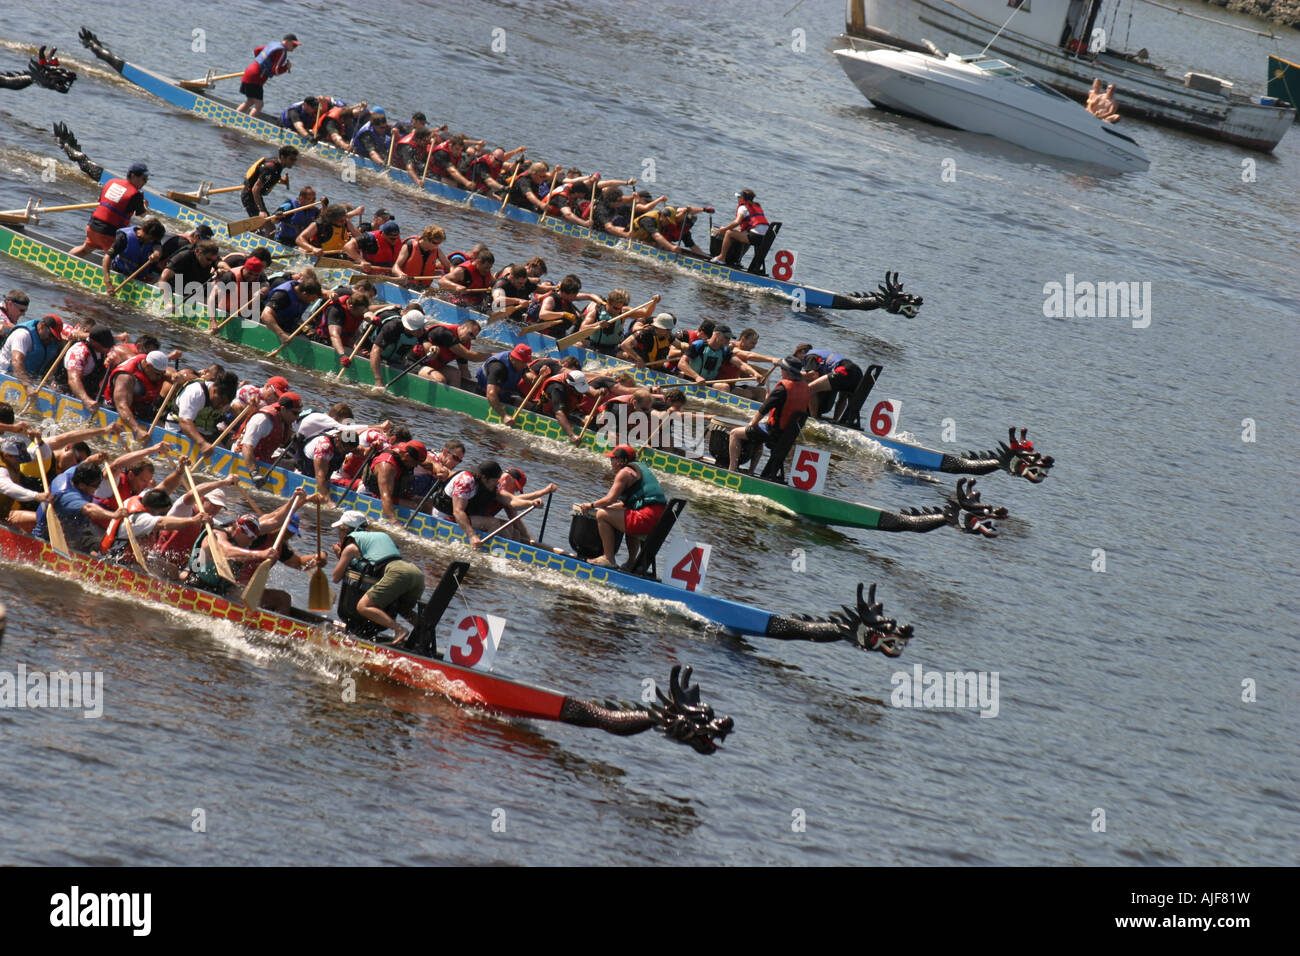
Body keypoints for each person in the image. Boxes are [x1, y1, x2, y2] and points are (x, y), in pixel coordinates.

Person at [190, 490, 326, 613]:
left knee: (280, 599)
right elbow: (226, 551)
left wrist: (296, 501)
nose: (251, 543)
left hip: (223, 589)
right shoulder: (216, 534)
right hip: (196, 584)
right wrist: (260, 554)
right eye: (250, 539)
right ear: (238, 531)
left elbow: (275, 518)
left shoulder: (249, 533)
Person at [329, 510, 426, 645]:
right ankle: (425, 632)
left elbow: (335, 577)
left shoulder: (351, 546)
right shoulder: (378, 536)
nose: (338, 535)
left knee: (363, 606)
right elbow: (373, 565)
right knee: (403, 610)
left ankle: (399, 630)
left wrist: (341, 555)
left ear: (345, 531)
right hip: (416, 573)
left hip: (397, 573)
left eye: (339, 531)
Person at [578, 444, 667, 569]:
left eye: (612, 459)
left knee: (602, 515)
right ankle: (631, 563)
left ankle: (608, 558)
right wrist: (612, 507)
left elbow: (610, 499)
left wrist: (591, 505)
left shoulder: (624, 473)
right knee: (621, 511)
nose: (611, 462)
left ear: (621, 461)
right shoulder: (639, 468)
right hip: (658, 520)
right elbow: (628, 503)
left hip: (646, 519)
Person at [726, 357, 810, 473]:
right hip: (788, 434)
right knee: (758, 434)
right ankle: (751, 470)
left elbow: (763, 409)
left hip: (774, 432)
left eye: (782, 369)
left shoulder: (782, 389)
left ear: (787, 371)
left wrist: (752, 424)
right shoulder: (805, 388)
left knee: (735, 433)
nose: (781, 371)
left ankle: (732, 469)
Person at [34, 461, 126, 553]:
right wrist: (114, 515)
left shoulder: (72, 474)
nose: (97, 488)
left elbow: (85, 463)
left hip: (76, 531)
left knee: (107, 549)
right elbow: (89, 509)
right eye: (95, 485)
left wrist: (97, 459)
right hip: (50, 537)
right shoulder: (68, 497)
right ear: (82, 485)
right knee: (101, 552)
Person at [431, 459, 519, 547]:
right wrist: (472, 536)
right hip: (444, 518)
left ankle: (511, 550)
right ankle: (484, 551)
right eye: (495, 481)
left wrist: (531, 502)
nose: (497, 484)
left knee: (509, 528)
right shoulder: (466, 481)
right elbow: (458, 511)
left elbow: (513, 500)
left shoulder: (483, 482)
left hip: (459, 518)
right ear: (485, 478)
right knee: (493, 523)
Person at [69, 162, 150, 258]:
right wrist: (145, 206)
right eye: (143, 179)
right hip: (109, 233)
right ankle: (110, 270)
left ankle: (65, 258)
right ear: (133, 176)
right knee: (120, 257)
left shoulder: (111, 182)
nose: (145, 182)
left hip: (92, 227)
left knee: (86, 248)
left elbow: (102, 201)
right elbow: (142, 215)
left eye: (147, 180)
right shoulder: (136, 194)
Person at [102, 349, 174, 442]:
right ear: (147, 366)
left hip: (139, 405)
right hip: (115, 408)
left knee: (161, 425)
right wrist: (138, 430)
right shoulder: (126, 377)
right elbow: (121, 406)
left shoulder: (149, 363)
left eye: (162, 374)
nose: (160, 378)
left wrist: (175, 375)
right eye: (157, 374)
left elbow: (168, 371)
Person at [172, 371, 239, 456]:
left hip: (205, 433)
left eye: (225, 404)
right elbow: (184, 422)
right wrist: (202, 444)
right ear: (214, 390)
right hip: (179, 428)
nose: (222, 406)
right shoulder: (196, 392)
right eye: (221, 401)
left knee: (227, 454)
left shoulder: (225, 398)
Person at [678, 324, 760, 391]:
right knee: (680, 374)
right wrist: (697, 377)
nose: (728, 341)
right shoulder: (699, 345)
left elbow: (741, 364)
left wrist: (754, 373)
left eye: (729, 338)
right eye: (726, 338)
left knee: (723, 386)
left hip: (709, 383)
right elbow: (681, 364)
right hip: (692, 380)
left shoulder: (724, 351)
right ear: (717, 334)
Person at [236, 34, 302, 117]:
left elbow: (257, 50)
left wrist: (263, 63)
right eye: (294, 45)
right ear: (287, 42)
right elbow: (275, 71)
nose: (294, 48)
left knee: (250, 101)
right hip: (256, 77)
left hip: (250, 71)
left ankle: (234, 116)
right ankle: (248, 123)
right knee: (259, 104)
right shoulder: (281, 51)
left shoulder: (273, 45)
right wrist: (286, 68)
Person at [361, 439, 427, 521]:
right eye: (415, 463)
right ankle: (412, 525)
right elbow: (385, 497)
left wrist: (437, 467)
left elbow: (428, 460)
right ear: (407, 456)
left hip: (393, 492)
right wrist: (394, 523)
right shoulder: (387, 466)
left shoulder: (403, 449)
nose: (416, 466)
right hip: (373, 492)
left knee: (427, 502)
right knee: (413, 506)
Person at [410, 318, 488, 387]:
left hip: (433, 366)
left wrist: (472, 387)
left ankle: (454, 400)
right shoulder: (444, 333)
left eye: (473, 337)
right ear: (463, 327)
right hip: (414, 362)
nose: (470, 338)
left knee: (456, 374)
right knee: (440, 380)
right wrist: (494, 355)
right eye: (470, 334)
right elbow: (472, 357)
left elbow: (464, 369)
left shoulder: (465, 344)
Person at [55, 324, 117, 409]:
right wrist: (86, 400)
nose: (108, 349)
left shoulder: (104, 349)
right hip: (65, 390)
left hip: (89, 391)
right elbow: (73, 380)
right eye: (104, 346)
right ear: (93, 341)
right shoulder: (79, 351)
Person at [0, 435, 53, 532]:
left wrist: (40, 442)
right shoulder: (1, 470)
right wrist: (36, 496)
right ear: (6, 455)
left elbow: (45, 454)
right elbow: (7, 487)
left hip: (4, 512)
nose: (20, 462)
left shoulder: (13, 456)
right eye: (18, 459)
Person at [237, 390, 302, 470]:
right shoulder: (262, 420)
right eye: (295, 413)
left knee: (293, 463)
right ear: (283, 409)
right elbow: (246, 447)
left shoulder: (285, 420)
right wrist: (253, 472)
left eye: (299, 414)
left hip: (262, 459)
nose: (297, 417)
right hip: (243, 457)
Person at [798, 345, 866, 420]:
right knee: (843, 397)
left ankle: (814, 419)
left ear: (802, 351)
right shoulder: (823, 354)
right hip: (857, 373)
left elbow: (813, 375)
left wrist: (793, 371)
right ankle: (835, 420)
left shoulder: (809, 355)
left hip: (844, 370)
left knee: (809, 389)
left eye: (795, 356)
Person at [367, 307, 428, 387]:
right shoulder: (392, 327)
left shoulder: (421, 332)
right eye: (417, 329)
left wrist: (432, 350)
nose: (421, 332)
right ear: (408, 327)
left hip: (395, 361)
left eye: (421, 328)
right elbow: (375, 351)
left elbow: (429, 350)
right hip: (373, 355)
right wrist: (378, 380)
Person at [102, 217, 166, 293]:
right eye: (151, 238)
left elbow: (157, 247)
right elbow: (107, 257)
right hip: (120, 272)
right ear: (144, 231)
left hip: (140, 276)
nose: (152, 241)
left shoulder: (154, 240)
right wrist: (108, 282)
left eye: (154, 240)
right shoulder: (124, 237)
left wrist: (157, 253)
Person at [0, 313, 65, 385]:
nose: (51, 339)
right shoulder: (22, 335)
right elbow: (16, 361)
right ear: (42, 326)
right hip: (5, 376)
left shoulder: (49, 340)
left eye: (54, 338)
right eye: (51, 335)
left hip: (29, 380)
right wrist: (27, 386)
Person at [260, 273, 323, 345]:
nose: (312, 301)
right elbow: (265, 315)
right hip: (272, 325)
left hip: (288, 323)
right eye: (313, 298)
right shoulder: (282, 295)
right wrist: (281, 334)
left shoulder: (305, 292)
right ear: (304, 294)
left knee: (315, 336)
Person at [711, 188, 769, 265]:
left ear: (742, 198)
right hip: (765, 238)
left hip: (754, 237)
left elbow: (737, 222)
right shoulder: (757, 207)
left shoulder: (743, 207)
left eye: (739, 197)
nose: (738, 199)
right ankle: (738, 260)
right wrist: (738, 230)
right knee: (743, 233)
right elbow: (752, 225)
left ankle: (722, 258)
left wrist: (724, 229)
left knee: (728, 233)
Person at [477, 343, 534, 418]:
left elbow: (530, 377)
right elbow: (491, 394)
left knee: (532, 407)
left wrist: (540, 376)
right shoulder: (498, 368)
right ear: (512, 357)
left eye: (526, 362)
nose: (524, 365)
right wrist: (504, 416)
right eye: (522, 362)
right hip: (486, 396)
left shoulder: (520, 365)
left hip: (505, 395)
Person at [240, 145, 299, 217]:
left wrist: (281, 181)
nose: (293, 162)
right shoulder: (271, 168)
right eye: (291, 159)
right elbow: (255, 189)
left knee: (266, 224)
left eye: (295, 160)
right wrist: (261, 210)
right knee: (265, 223)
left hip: (254, 195)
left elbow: (268, 178)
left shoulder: (277, 165)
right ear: (282, 157)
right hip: (250, 195)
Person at [631, 203, 712, 256]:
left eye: (689, 225)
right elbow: (657, 237)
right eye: (686, 223)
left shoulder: (685, 232)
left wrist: (707, 257)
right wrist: (672, 247)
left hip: (658, 242)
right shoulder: (669, 220)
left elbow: (693, 247)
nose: (688, 226)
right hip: (642, 239)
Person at [393, 225, 451, 290]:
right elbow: (395, 266)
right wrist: (400, 274)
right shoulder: (409, 246)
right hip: (405, 285)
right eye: (434, 243)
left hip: (424, 287)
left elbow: (449, 267)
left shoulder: (437, 250)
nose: (436, 246)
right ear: (426, 238)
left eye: (439, 244)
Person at [295, 203, 360, 258]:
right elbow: (299, 239)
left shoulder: (346, 222)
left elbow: (360, 237)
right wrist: (313, 249)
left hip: (336, 256)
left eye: (345, 219)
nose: (344, 222)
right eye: (341, 221)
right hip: (318, 255)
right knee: (303, 249)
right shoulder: (319, 224)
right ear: (332, 219)